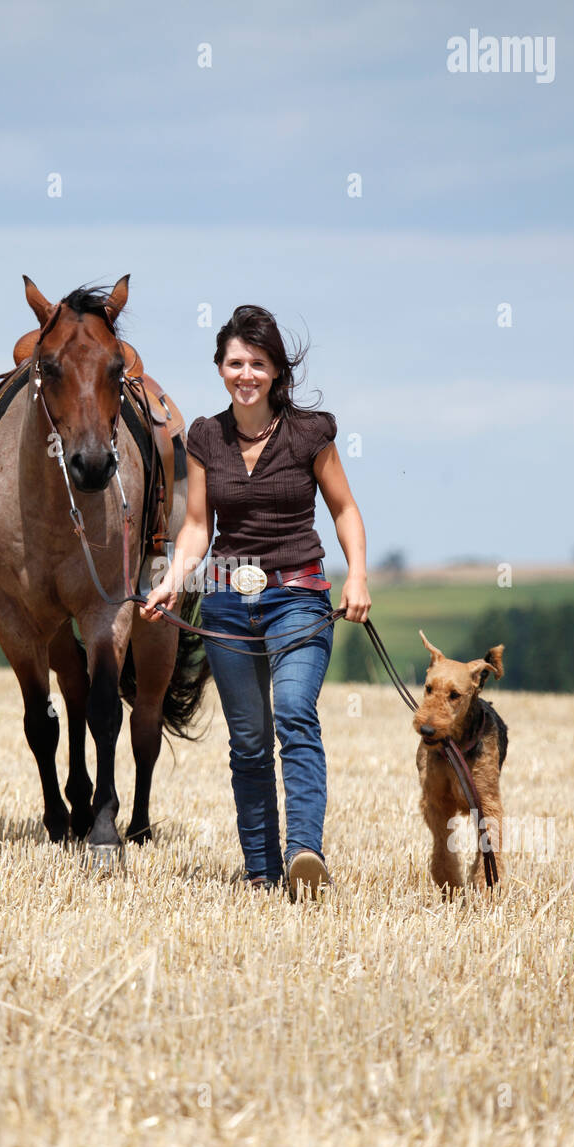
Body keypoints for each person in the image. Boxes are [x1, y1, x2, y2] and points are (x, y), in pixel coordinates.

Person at [139, 304, 371, 895]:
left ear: (276, 372)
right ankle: (262, 874)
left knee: (294, 712)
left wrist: (357, 577)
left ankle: (304, 856)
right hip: (224, 597)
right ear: (220, 368)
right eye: (236, 362)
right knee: (247, 740)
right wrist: (170, 581)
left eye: (258, 364)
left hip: (298, 596)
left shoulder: (309, 432)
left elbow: (344, 509)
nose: (246, 373)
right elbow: (196, 527)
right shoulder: (204, 438)